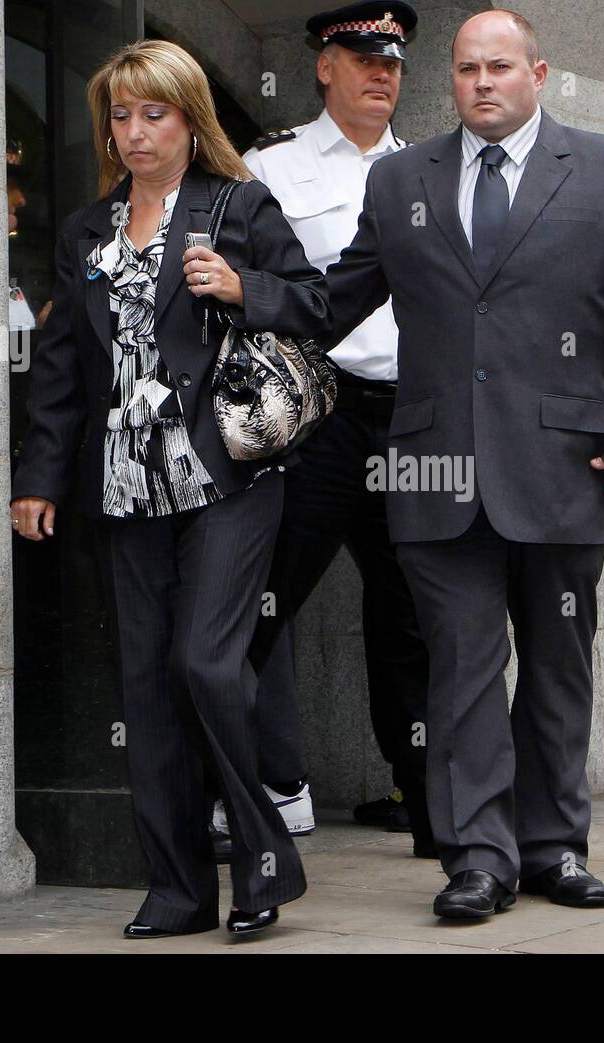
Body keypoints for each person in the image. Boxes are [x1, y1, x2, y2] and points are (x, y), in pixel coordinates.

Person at [321, 10, 604, 919]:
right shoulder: (401, 177)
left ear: (539, 73)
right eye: (464, 69)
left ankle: (554, 846)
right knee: (460, 669)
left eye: (499, 67)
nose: (481, 82)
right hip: (433, 471)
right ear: (449, 80)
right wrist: (242, 294)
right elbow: (337, 296)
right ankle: (477, 859)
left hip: (571, 468)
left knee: (559, 666)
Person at [10, 39, 330, 937]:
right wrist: (39, 476)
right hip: (123, 488)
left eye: (155, 113)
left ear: (191, 120)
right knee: (147, 686)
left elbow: (319, 303)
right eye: (121, 114)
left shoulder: (239, 208)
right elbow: (65, 371)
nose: (136, 131)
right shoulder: (85, 231)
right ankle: (180, 888)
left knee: (206, 662)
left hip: (228, 474)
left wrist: (245, 285)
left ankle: (264, 856)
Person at [236, 0, 435, 859]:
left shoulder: (431, 170)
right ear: (324, 66)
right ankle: (236, 797)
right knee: (259, 606)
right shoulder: (269, 166)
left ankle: (432, 803)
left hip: (416, 421)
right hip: (318, 415)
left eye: (393, 61)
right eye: (363, 58)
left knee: (418, 617)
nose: (382, 74)